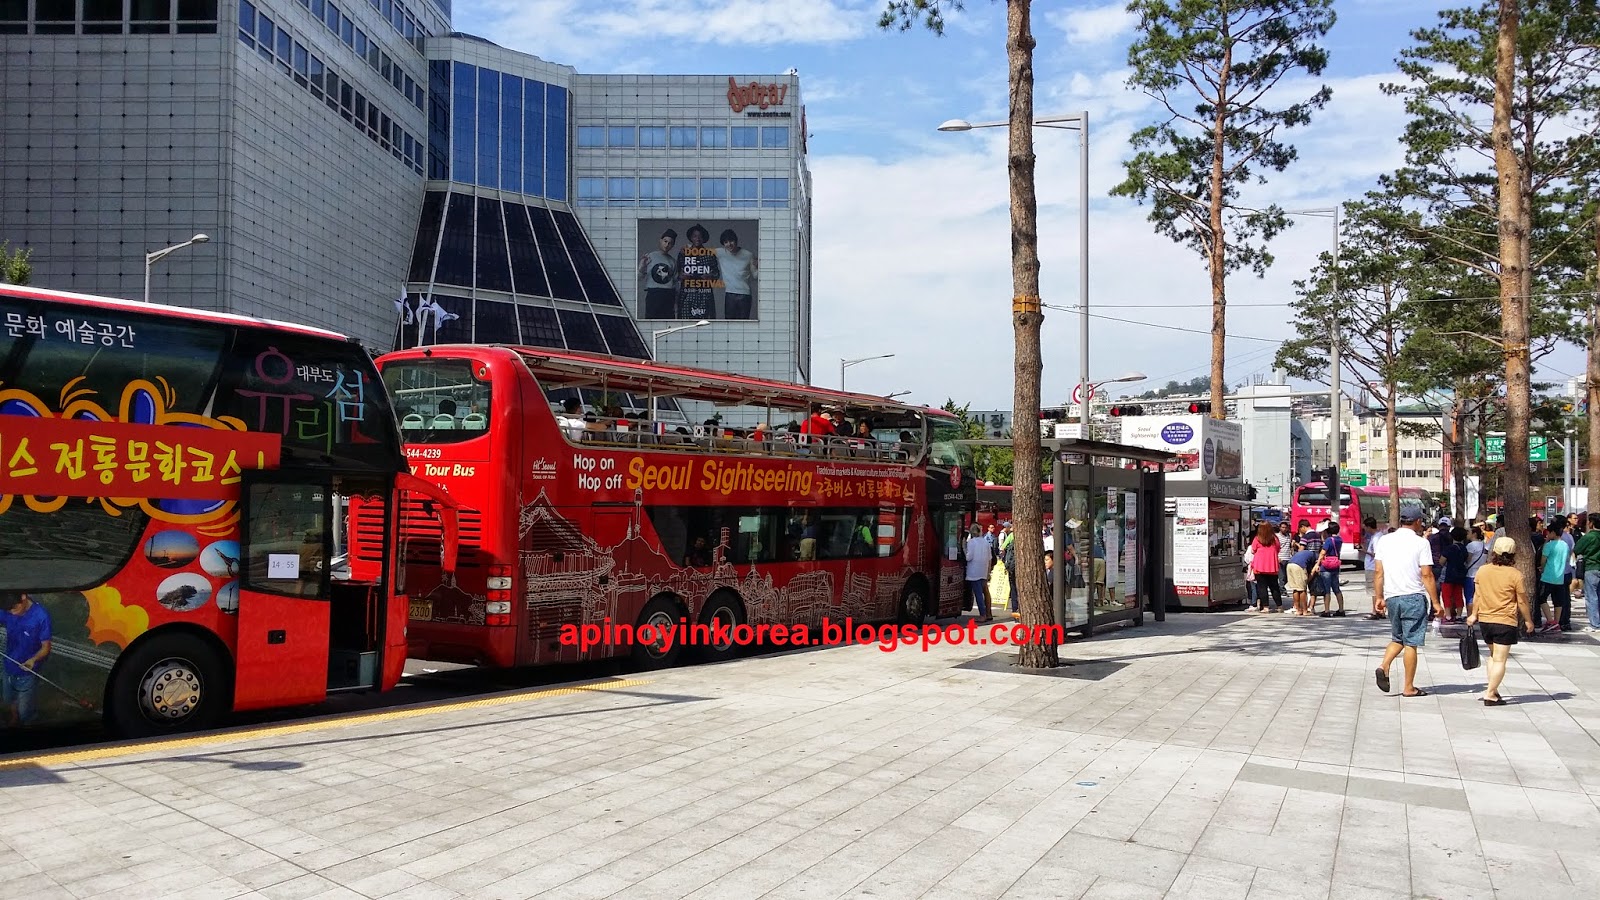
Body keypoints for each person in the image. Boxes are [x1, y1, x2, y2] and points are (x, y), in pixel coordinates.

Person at [1373, 506, 1445, 697]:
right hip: (1413, 596)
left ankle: (1384, 665)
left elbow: (1379, 572)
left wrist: (1379, 597)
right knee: (1411, 643)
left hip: (1392, 596)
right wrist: (1436, 603)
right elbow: (1427, 574)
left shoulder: (1384, 541)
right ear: (1417, 522)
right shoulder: (1421, 543)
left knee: (1398, 638)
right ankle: (1408, 687)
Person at [1467, 537, 1534, 705]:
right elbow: (1522, 601)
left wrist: (1473, 614)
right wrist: (1528, 620)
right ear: (1513, 554)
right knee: (1499, 659)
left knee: (1493, 656)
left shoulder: (1483, 570)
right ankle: (1490, 692)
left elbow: (1477, 595)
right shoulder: (1515, 575)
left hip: (1485, 620)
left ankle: (1493, 689)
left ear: (1494, 552)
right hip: (1505, 621)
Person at [1, 591, 51, 727]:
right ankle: (14, 718)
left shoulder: (41, 616)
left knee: (25, 710)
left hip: (27, 670)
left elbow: (46, 647)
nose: (12, 613)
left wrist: (33, 660)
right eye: (8, 610)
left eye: (15, 608)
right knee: (9, 698)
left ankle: (29, 723)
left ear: (23, 597)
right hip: (8, 665)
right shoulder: (7, 608)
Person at [675, 224, 720, 319]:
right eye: (695, 236)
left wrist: (710, 276)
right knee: (685, 323)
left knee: (705, 323)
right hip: (687, 294)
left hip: (704, 294)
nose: (697, 239)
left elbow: (716, 274)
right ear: (691, 238)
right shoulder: (683, 253)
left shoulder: (710, 254)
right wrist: (682, 276)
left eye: (700, 236)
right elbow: (676, 273)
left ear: (704, 238)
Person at [714, 228, 758, 320]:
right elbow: (703, 252)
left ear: (736, 240)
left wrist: (762, 265)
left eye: (731, 241)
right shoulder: (721, 252)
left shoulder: (748, 255)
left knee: (743, 325)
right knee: (729, 324)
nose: (729, 244)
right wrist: (688, 247)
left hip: (745, 295)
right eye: (726, 242)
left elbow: (755, 275)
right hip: (730, 294)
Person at [1537, 522, 1571, 632]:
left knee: (1541, 598)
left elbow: (1543, 560)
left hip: (1548, 576)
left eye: (1549, 533)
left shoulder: (1549, 545)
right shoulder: (1565, 545)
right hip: (1560, 577)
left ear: (1553, 533)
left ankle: (1550, 620)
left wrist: (1541, 568)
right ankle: (1556, 622)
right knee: (1558, 601)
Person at [638, 228, 679, 319]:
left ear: (672, 245)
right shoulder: (649, 257)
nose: (667, 245)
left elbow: (676, 284)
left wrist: (676, 304)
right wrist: (642, 266)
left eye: (670, 243)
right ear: (660, 241)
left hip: (668, 296)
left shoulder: (672, 261)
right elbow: (638, 277)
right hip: (653, 295)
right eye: (665, 241)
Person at [1247, 523, 1285, 613]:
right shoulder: (1275, 539)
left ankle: (1265, 607)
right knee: (1274, 587)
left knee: (1262, 587)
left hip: (1259, 566)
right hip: (1272, 566)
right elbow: (1278, 549)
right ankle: (1279, 606)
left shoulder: (1257, 539)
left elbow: (1253, 550)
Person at [1575, 513, 1600, 633]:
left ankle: (1595, 624)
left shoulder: (1589, 537)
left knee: (1591, 597)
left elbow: (1577, 549)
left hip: (1591, 567)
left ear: (1592, 523)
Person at [964, 523, 994, 623]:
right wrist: (988, 571)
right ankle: (988, 613)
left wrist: (964, 549)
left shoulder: (971, 542)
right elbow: (990, 558)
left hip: (974, 571)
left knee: (978, 594)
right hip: (983, 570)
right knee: (984, 592)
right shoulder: (985, 542)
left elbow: (969, 557)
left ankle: (983, 614)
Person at [1439, 526, 1469, 622]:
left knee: (1446, 595)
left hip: (1448, 575)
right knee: (1458, 595)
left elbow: (1441, 561)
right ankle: (1459, 615)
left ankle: (1448, 615)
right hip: (1460, 574)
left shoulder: (1449, 548)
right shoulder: (1464, 549)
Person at [1317, 520, 1345, 617]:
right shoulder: (1340, 540)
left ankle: (1327, 610)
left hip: (1326, 567)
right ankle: (1341, 609)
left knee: (1326, 590)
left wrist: (1317, 564)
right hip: (1335, 566)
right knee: (1337, 589)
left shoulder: (1329, 540)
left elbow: (1323, 553)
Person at [1287, 541, 1318, 616]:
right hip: (1299, 566)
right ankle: (1304, 610)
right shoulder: (1316, 556)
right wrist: (1307, 581)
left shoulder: (1306, 553)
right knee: (1302, 589)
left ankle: (1298, 609)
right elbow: (1313, 570)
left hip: (1290, 565)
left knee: (1296, 588)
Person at [1464, 525, 1488, 610]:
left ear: (1474, 534)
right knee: (1480, 596)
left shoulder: (1471, 546)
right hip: (1482, 574)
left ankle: (1470, 616)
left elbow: (1468, 560)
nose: (1467, 534)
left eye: (1468, 532)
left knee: (1470, 597)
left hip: (1470, 574)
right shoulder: (1484, 545)